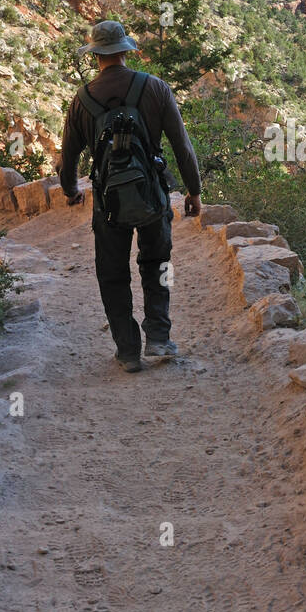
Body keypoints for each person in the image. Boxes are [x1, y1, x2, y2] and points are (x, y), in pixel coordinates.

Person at [58, 20, 202, 372]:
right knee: (158, 265)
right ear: (125, 50)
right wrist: (194, 192)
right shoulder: (155, 88)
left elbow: (68, 158)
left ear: (95, 55)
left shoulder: (82, 100)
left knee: (112, 273)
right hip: (152, 195)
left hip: (108, 203)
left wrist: (71, 190)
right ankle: (158, 337)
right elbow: (182, 147)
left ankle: (127, 351)